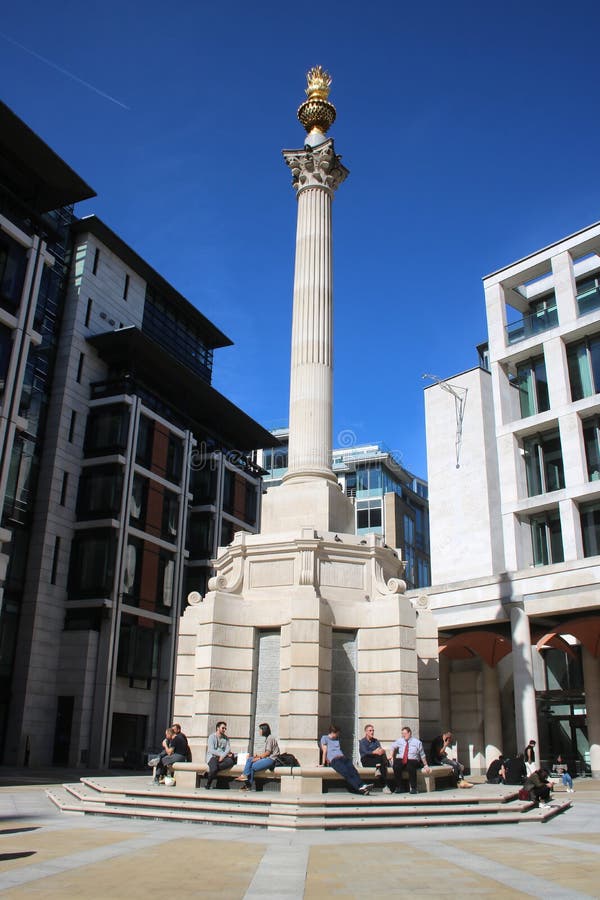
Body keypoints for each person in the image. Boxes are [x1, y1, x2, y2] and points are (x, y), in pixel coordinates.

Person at [320, 724, 371, 794]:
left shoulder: (337, 739)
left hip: (343, 758)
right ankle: (359, 787)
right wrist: (323, 763)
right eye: (337, 733)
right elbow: (324, 751)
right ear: (333, 732)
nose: (338, 735)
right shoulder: (324, 738)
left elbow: (338, 749)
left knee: (353, 770)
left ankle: (362, 785)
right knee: (346, 772)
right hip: (335, 760)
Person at [235, 723, 280, 791]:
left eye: (260, 730)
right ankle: (245, 776)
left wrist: (259, 758)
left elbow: (268, 753)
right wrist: (257, 756)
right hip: (268, 758)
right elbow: (267, 753)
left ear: (264, 730)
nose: (259, 731)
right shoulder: (268, 738)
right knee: (250, 759)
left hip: (271, 760)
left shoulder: (270, 738)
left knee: (252, 766)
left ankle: (247, 783)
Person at [390, 726, 430, 794]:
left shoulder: (417, 742)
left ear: (409, 733)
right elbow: (392, 747)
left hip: (413, 759)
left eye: (405, 733)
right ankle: (399, 787)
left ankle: (413, 788)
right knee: (396, 766)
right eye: (402, 733)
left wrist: (426, 765)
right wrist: (391, 756)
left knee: (410, 766)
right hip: (401, 758)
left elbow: (422, 754)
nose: (403, 735)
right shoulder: (400, 740)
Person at [359, 724, 392, 793]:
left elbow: (380, 749)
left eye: (373, 730)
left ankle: (384, 784)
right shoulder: (362, 741)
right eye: (370, 730)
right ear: (366, 732)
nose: (372, 732)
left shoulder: (376, 741)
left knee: (381, 762)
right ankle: (385, 786)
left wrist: (382, 751)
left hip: (376, 760)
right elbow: (365, 752)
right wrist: (374, 752)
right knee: (381, 762)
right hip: (367, 760)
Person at [206, 721, 237, 789]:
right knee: (214, 769)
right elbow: (211, 750)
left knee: (231, 761)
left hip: (222, 758)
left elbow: (228, 749)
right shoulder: (212, 737)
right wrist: (221, 755)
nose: (224, 730)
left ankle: (211, 773)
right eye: (223, 728)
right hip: (212, 757)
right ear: (217, 728)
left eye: (225, 728)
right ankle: (208, 783)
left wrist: (223, 756)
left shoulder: (226, 738)